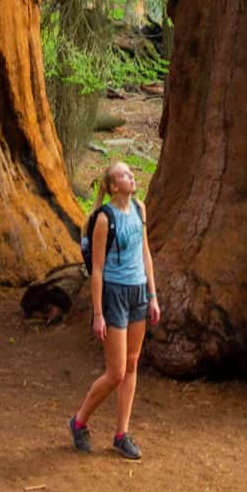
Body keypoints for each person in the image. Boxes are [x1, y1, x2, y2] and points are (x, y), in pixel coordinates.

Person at [68, 160, 159, 460]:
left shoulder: (140, 209)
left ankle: (121, 434)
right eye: (123, 174)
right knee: (116, 372)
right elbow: (97, 269)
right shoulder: (105, 219)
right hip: (114, 294)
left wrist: (152, 295)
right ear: (111, 186)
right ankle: (79, 421)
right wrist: (98, 313)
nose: (131, 175)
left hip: (138, 293)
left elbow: (145, 251)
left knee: (132, 365)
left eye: (131, 173)